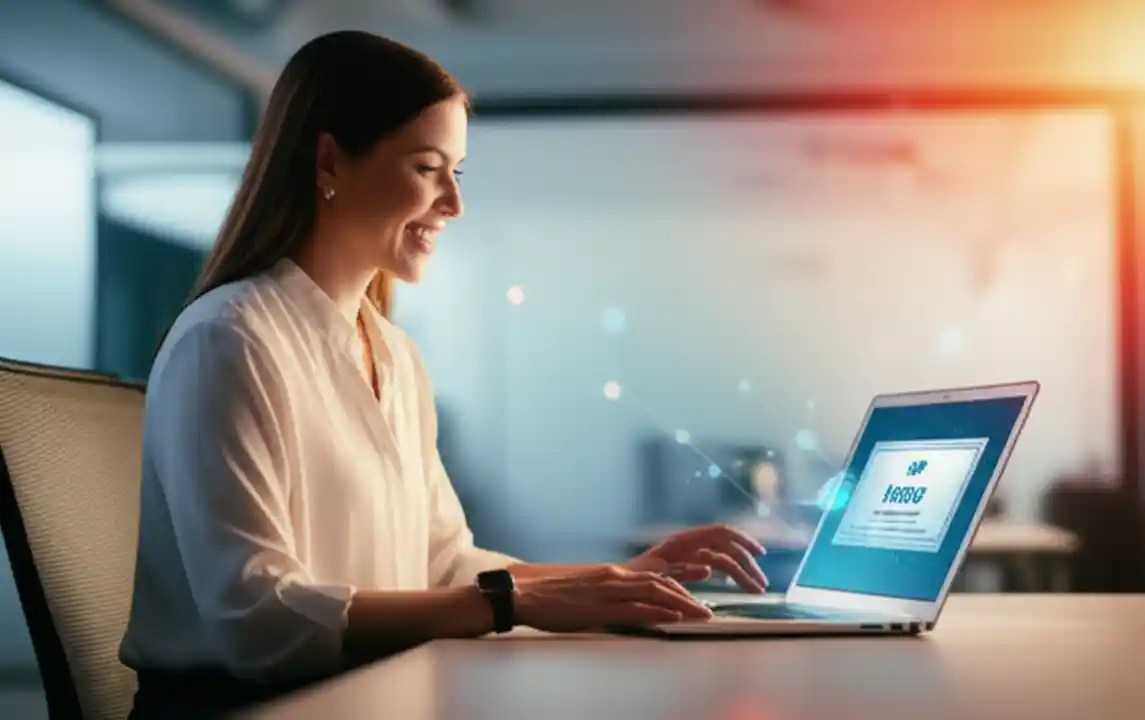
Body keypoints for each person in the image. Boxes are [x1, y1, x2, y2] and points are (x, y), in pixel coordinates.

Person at [119, 30, 768, 717]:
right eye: (428, 168)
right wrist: (515, 603)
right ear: (329, 161)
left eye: (456, 173)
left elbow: (445, 566)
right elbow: (258, 622)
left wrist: (620, 577)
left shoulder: (393, 356)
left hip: (370, 697)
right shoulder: (229, 341)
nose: (453, 204)